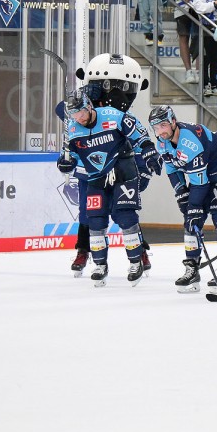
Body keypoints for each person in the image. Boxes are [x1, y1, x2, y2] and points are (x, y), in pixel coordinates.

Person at [59, 83, 158, 285]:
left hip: (122, 169)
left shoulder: (112, 115)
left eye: (80, 113)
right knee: (95, 220)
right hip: (95, 175)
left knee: (125, 215)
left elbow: (138, 133)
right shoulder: (72, 128)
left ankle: (135, 261)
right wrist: (65, 163)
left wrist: (148, 149)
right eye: (74, 115)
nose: (78, 118)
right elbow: (72, 156)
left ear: (89, 106)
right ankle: (100, 264)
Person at [147, 106, 217, 294]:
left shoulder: (190, 140)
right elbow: (173, 170)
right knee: (190, 221)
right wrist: (181, 194)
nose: (160, 131)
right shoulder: (162, 142)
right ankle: (192, 269)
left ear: (173, 121)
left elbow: (200, 182)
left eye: (163, 125)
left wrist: (194, 206)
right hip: (203, 177)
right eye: (155, 128)